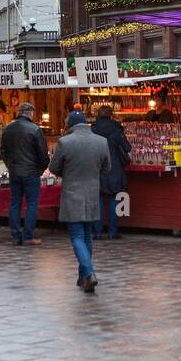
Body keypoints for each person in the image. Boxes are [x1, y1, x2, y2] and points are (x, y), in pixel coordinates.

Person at [49, 115, 110, 293]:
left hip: (72, 193)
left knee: (76, 236)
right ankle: (83, 276)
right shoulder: (101, 141)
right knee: (87, 235)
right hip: (92, 193)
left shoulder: (64, 142)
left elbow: (53, 168)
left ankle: (89, 273)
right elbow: (107, 168)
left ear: (70, 125)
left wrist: (68, 172)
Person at [0, 102, 49, 246]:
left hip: (14, 171)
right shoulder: (35, 129)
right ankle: (28, 236)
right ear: (30, 113)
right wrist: (41, 169)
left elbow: (3, 151)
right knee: (32, 203)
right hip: (31, 172)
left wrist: (10, 165)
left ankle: (16, 236)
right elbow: (42, 154)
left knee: (15, 202)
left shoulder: (8, 129)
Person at [91, 104, 132, 241]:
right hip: (114, 167)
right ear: (111, 115)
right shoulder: (116, 129)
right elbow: (127, 147)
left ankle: (97, 232)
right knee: (114, 199)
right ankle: (112, 231)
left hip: (97, 167)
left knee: (98, 200)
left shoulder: (93, 129)